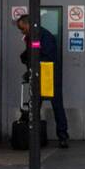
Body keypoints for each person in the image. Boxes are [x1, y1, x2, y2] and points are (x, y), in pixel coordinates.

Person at [15, 14, 68, 148]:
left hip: (49, 75)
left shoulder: (45, 36)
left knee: (56, 105)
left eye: (22, 28)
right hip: (37, 74)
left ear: (28, 24)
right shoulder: (31, 37)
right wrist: (25, 56)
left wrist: (32, 67)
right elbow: (33, 52)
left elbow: (46, 56)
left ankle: (63, 136)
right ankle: (34, 136)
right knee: (35, 105)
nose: (22, 31)